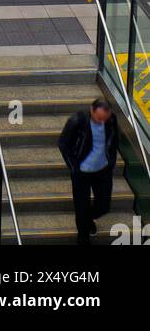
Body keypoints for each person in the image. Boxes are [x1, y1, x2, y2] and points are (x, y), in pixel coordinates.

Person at [58, 99, 119, 244]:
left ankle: (87, 218)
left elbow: (114, 141)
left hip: (103, 171)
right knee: (81, 207)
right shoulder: (77, 121)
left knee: (103, 207)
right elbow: (63, 143)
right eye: (98, 118)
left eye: (104, 119)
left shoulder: (111, 120)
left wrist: (111, 163)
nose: (101, 122)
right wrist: (74, 167)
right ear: (91, 110)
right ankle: (83, 236)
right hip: (82, 173)